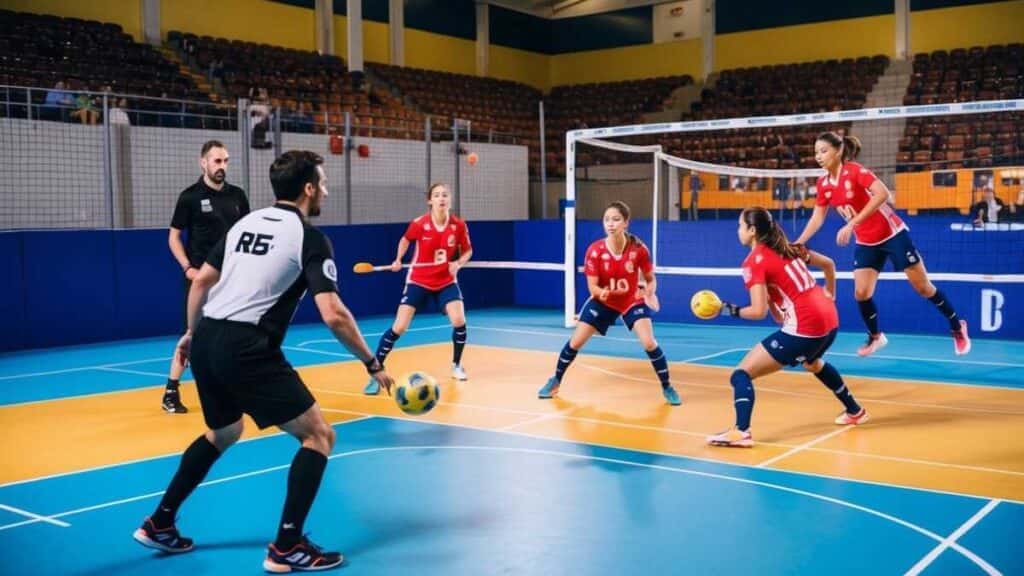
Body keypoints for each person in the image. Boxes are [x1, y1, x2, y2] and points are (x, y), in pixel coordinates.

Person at [133, 150, 394, 572]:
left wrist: (192, 333)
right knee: (319, 436)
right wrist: (371, 361)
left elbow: (201, 280)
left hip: (210, 337)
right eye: (322, 183)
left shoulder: (243, 224)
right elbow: (334, 313)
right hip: (247, 346)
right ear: (308, 188)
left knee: (224, 431)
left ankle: (160, 523)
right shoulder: (309, 237)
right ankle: (287, 546)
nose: (325, 189)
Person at [794, 132, 970, 356]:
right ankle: (876, 336)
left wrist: (852, 224)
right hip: (867, 241)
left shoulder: (855, 171)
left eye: (823, 151)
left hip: (892, 234)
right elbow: (817, 217)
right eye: (816, 152)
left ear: (838, 152)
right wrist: (799, 242)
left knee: (923, 288)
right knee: (861, 292)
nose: (818, 156)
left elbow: (882, 194)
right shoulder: (823, 184)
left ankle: (957, 326)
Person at [707, 207, 868, 447]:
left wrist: (726, 309)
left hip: (806, 325)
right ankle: (855, 411)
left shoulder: (754, 262)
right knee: (812, 363)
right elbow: (829, 265)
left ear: (752, 231)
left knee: (740, 374)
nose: (738, 231)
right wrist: (830, 293)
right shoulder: (789, 248)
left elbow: (757, 311)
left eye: (740, 226)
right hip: (829, 318)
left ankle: (741, 432)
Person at [538, 201, 681, 405]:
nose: (610, 224)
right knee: (575, 342)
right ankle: (555, 381)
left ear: (626, 223)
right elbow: (592, 288)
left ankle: (667, 387)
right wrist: (601, 293)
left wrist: (650, 290)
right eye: (607, 220)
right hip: (604, 301)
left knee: (649, 342)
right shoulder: (595, 251)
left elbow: (650, 279)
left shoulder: (639, 250)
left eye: (616, 219)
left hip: (632, 299)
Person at [165, 141, 250, 413]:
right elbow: (173, 237)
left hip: (231, 279)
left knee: (230, 334)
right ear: (203, 162)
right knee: (191, 334)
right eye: (216, 161)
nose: (222, 166)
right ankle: (171, 392)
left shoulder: (238, 196)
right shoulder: (189, 197)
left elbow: (245, 234)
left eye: (225, 161)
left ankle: (229, 389)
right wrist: (187, 268)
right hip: (200, 279)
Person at [363, 182, 473, 395]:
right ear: (430, 200)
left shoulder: (459, 226)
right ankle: (376, 372)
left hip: (446, 281)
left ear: (450, 200)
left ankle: (456, 365)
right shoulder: (420, 224)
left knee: (459, 320)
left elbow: (468, 251)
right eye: (437, 195)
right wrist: (397, 260)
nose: (442, 199)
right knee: (399, 327)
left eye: (445, 195)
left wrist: (458, 263)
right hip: (418, 280)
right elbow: (405, 240)